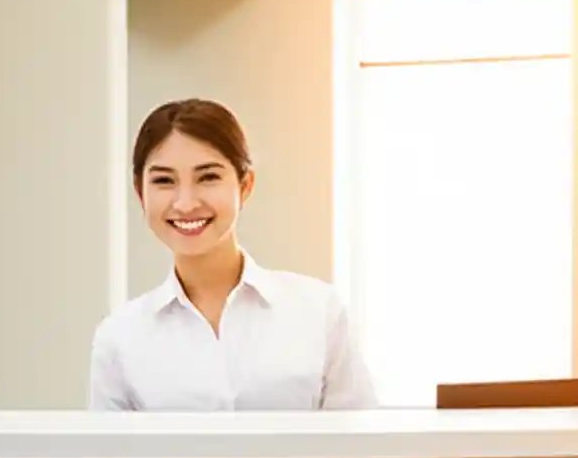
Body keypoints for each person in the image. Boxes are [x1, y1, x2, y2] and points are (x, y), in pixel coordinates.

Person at [89, 99, 377, 411]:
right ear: (140, 192)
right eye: (164, 181)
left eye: (208, 177)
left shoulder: (320, 313)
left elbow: (359, 449)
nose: (185, 203)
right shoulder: (120, 337)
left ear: (245, 184)